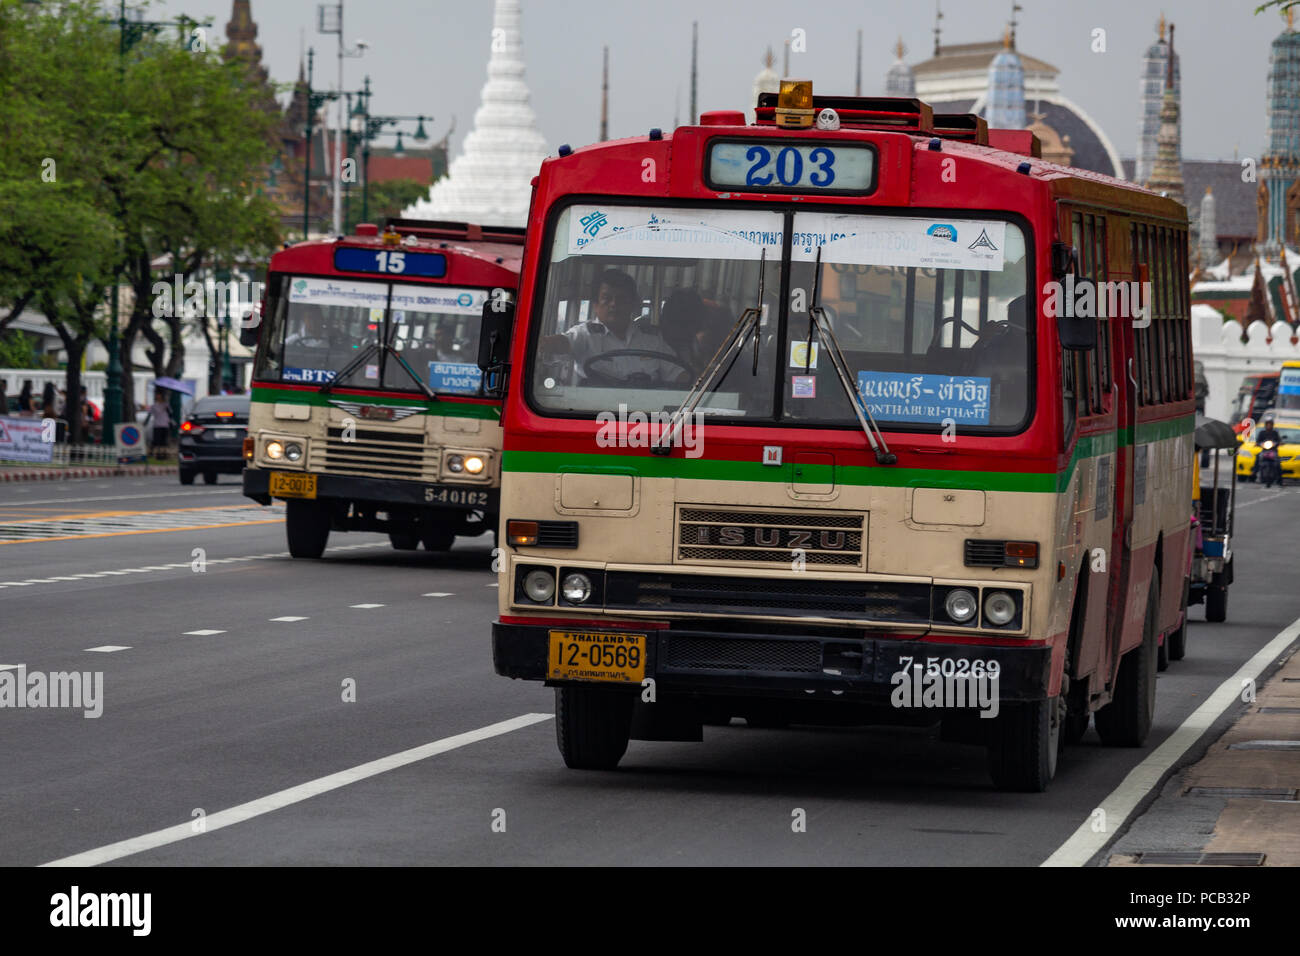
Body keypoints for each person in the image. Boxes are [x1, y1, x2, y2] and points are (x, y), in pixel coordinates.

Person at [543, 269, 678, 384]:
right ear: (595, 305)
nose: (614, 304)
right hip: (590, 411)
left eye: (621, 299)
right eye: (607, 298)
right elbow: (560, 343)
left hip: (644, 412)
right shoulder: (585, 335)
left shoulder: (652, 339)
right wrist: (544, 343)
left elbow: (677, 374)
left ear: (632, 304)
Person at [143, 389, 172, 458]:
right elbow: (149, 414)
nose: (158, 397)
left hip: (165, 424)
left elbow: (170, 414)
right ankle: (153, 453)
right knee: (156, 440)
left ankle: (163, 454)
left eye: (160, 395)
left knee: (164, 441)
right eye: (157, 395)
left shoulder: (166, 405)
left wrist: (166, 408)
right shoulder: (154, 406)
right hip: (157, 425)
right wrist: (145, 422)